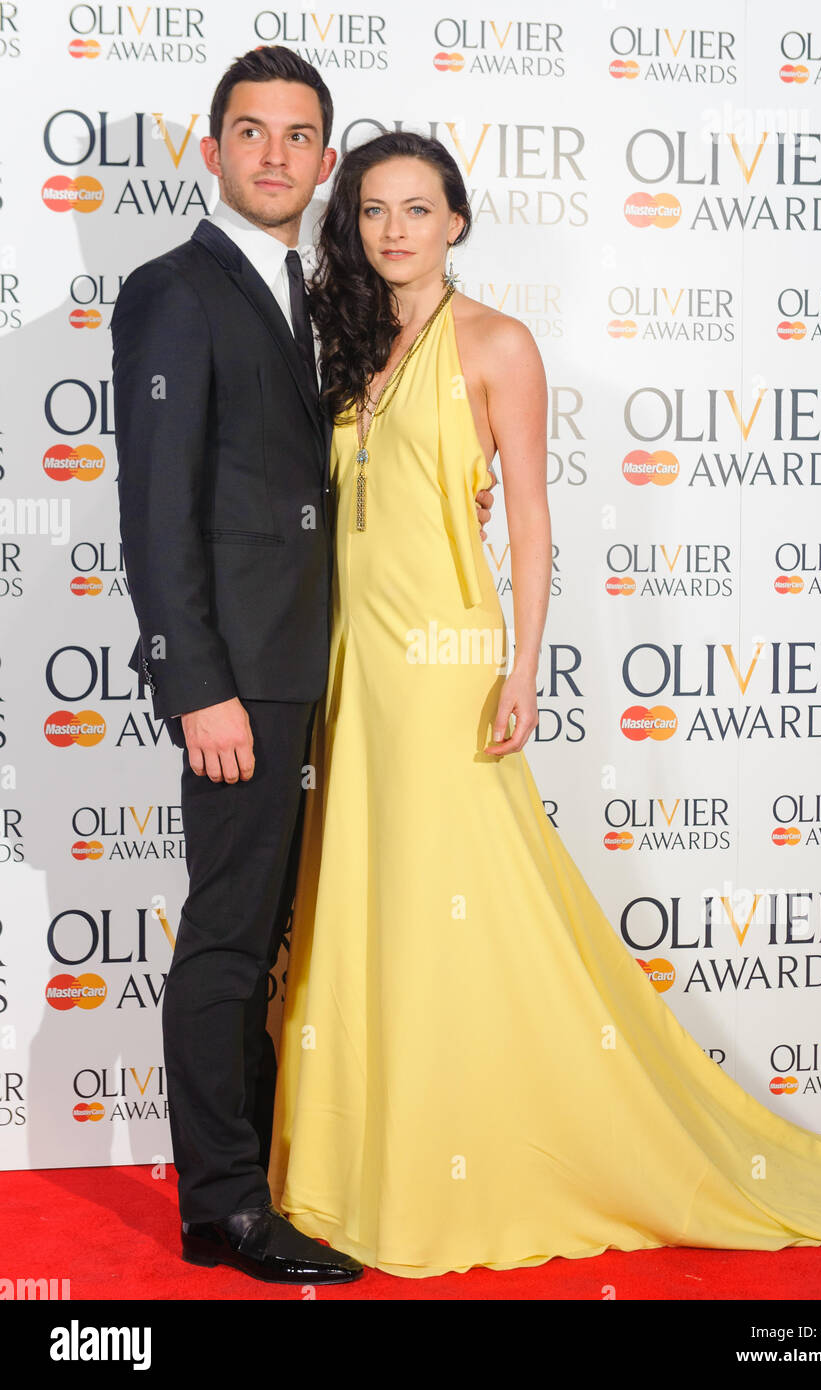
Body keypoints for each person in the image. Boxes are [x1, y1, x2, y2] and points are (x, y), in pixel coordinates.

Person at [267, 131, 821, 1279]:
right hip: (352, 671)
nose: (395, 231)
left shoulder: (496, 343)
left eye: (419, 209)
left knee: (443, 907)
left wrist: (522, 666)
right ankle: (365, 1157)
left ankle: (455, 1164)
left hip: (443, 667)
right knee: (369, 903)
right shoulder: (348, 343)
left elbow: (531, 516)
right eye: (374, 210)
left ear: (457, 222)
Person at [111, 47, 496, 1287]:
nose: (274, 154)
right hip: (242, 685)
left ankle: (267, 1172)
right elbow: (154, 512)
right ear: (212, 146)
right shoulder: (177, 290)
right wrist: (195, 685)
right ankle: (223, 1207)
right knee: (227, 940)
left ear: (324, 163)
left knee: (277, 936)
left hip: (333, 675)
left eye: (297, 137)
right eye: (251, 131)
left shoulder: (312, 294)